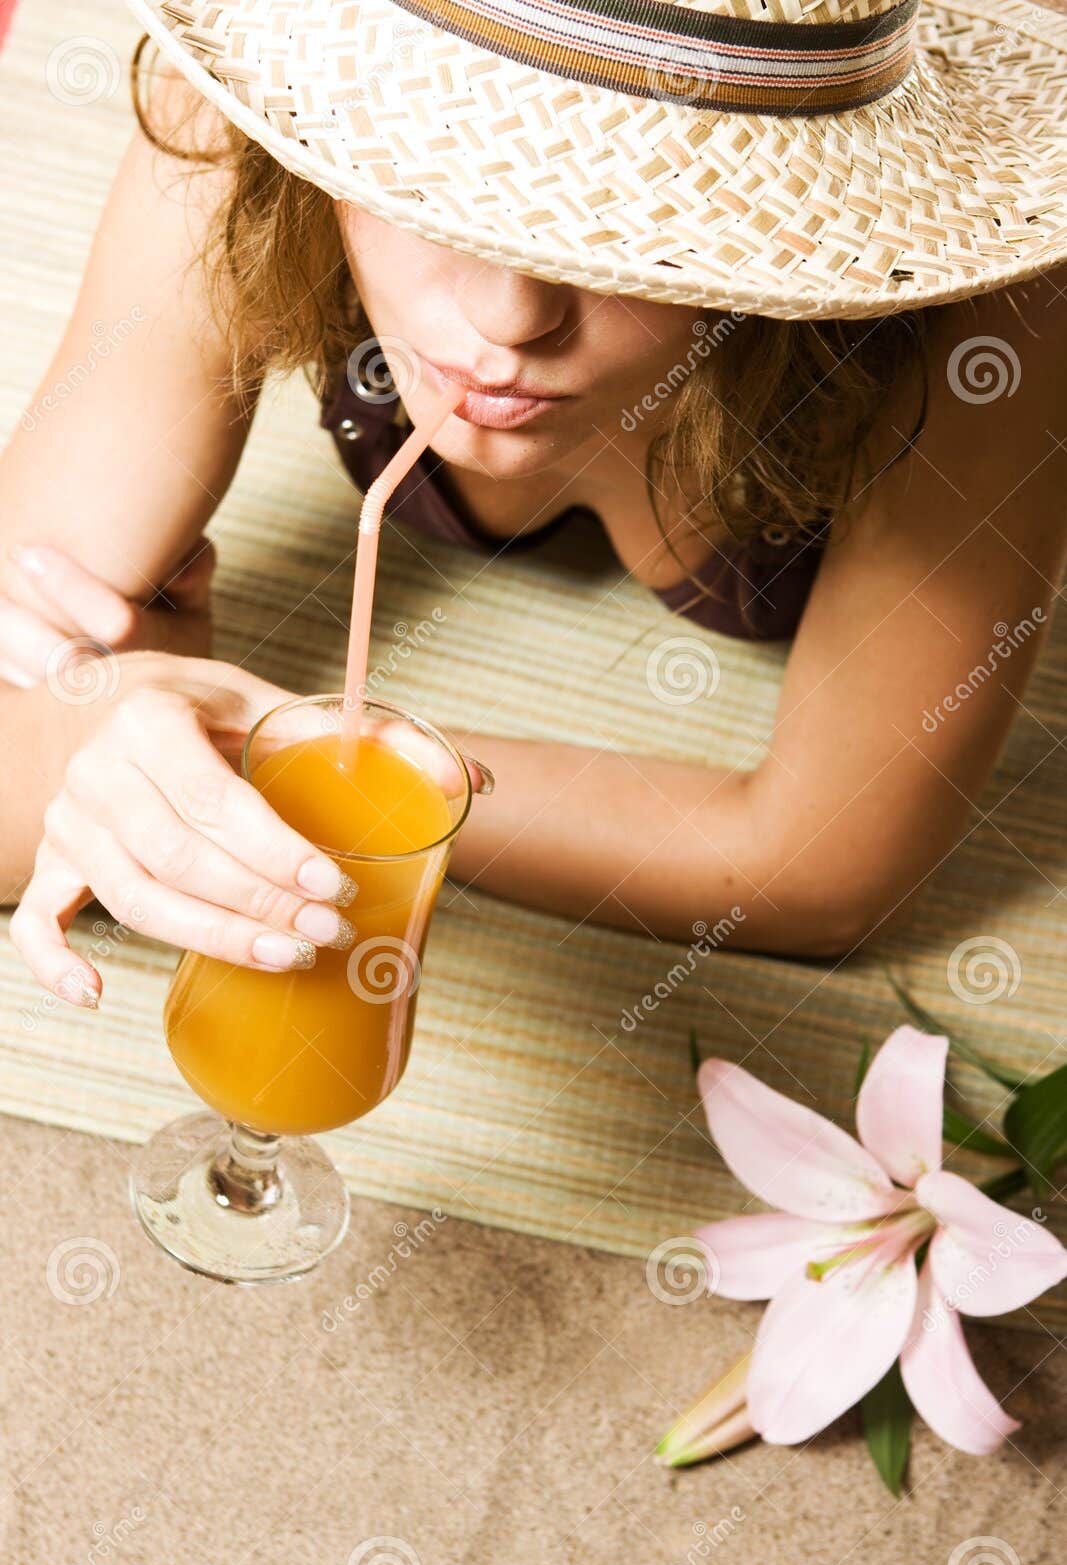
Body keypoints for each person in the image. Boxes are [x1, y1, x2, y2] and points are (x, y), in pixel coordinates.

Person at [3, 0, 1067, 1007]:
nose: (508, 317)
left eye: (649, 207)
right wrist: (97, 738)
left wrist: (254, 748)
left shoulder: (984, 306)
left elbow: (820, 869)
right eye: (429, 173)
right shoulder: (243, 118)